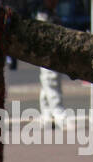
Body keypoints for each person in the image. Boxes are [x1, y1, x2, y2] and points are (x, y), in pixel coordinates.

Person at [35, 1, 69, 129]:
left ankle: (47, 114)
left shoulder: (49, 13)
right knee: (50, 78)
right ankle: (58, 112)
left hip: (50, 51)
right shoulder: (42, 15)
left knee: (48, 81)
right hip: (47, 51)